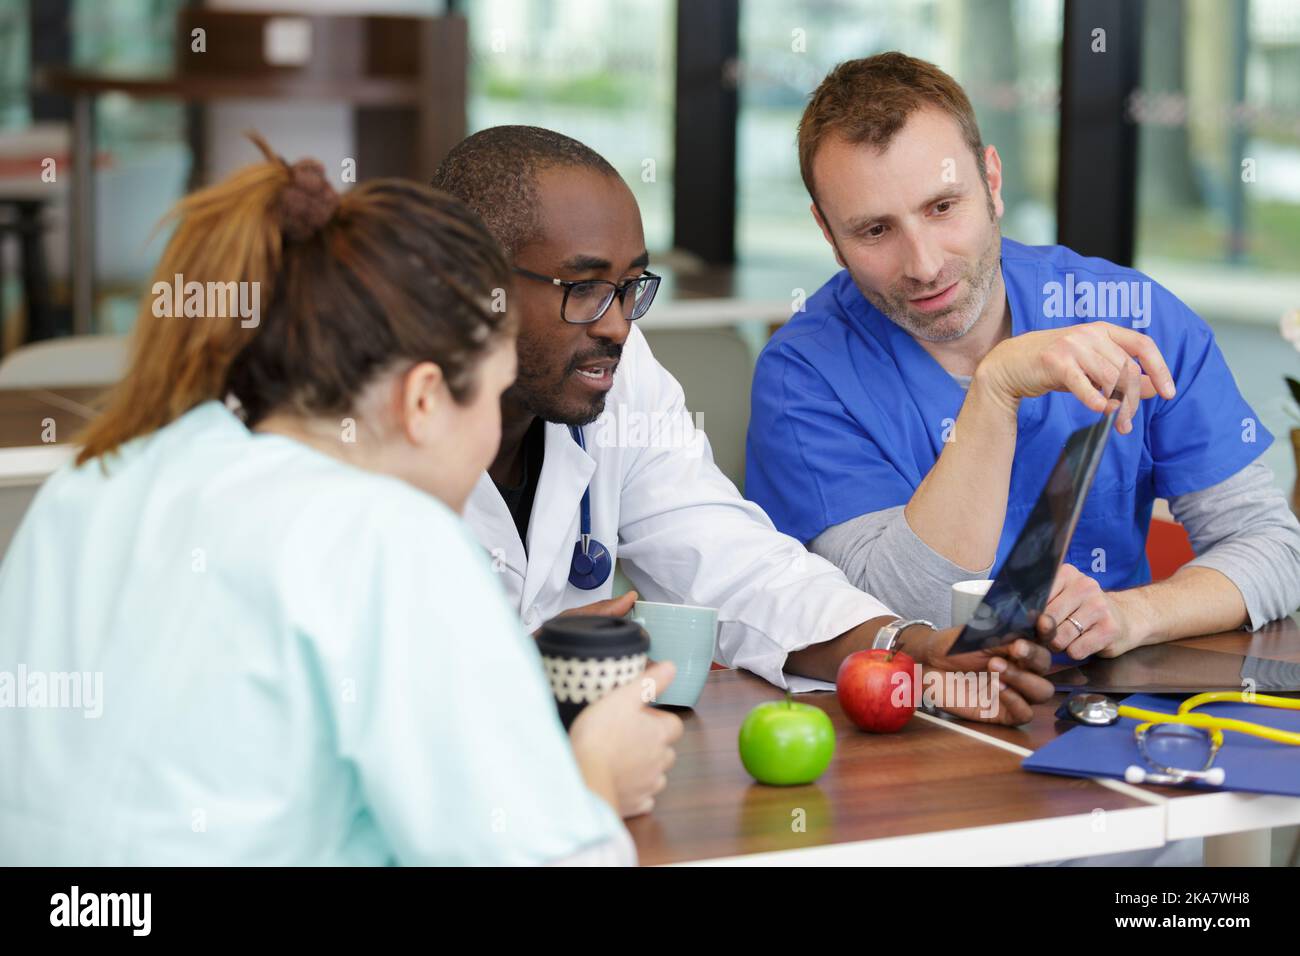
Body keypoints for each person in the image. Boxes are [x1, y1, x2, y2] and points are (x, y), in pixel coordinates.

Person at [0, 134, 681, 865]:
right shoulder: (384, 536)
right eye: (490, 397)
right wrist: (598, 773)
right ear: (423, 398)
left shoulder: (94, 482)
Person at [431, 126, 1054, 724]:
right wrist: (503, 673)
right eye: (585, 286)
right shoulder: (359, 433)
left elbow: (729, 560)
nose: (618, 325)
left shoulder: (615, 372)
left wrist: (903, 646)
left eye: (629, 287)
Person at [745, 53, 1300, 659]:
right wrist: (997, 388)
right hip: (921, 728)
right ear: (828, 233)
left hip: (1111, 708)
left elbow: (1275, 547)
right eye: (875, 230)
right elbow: (898, 620)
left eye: (942, 207)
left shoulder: (1131, 314)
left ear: (992, 181)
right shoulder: (802, 376)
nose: (924, 265)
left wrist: (1132, 614)